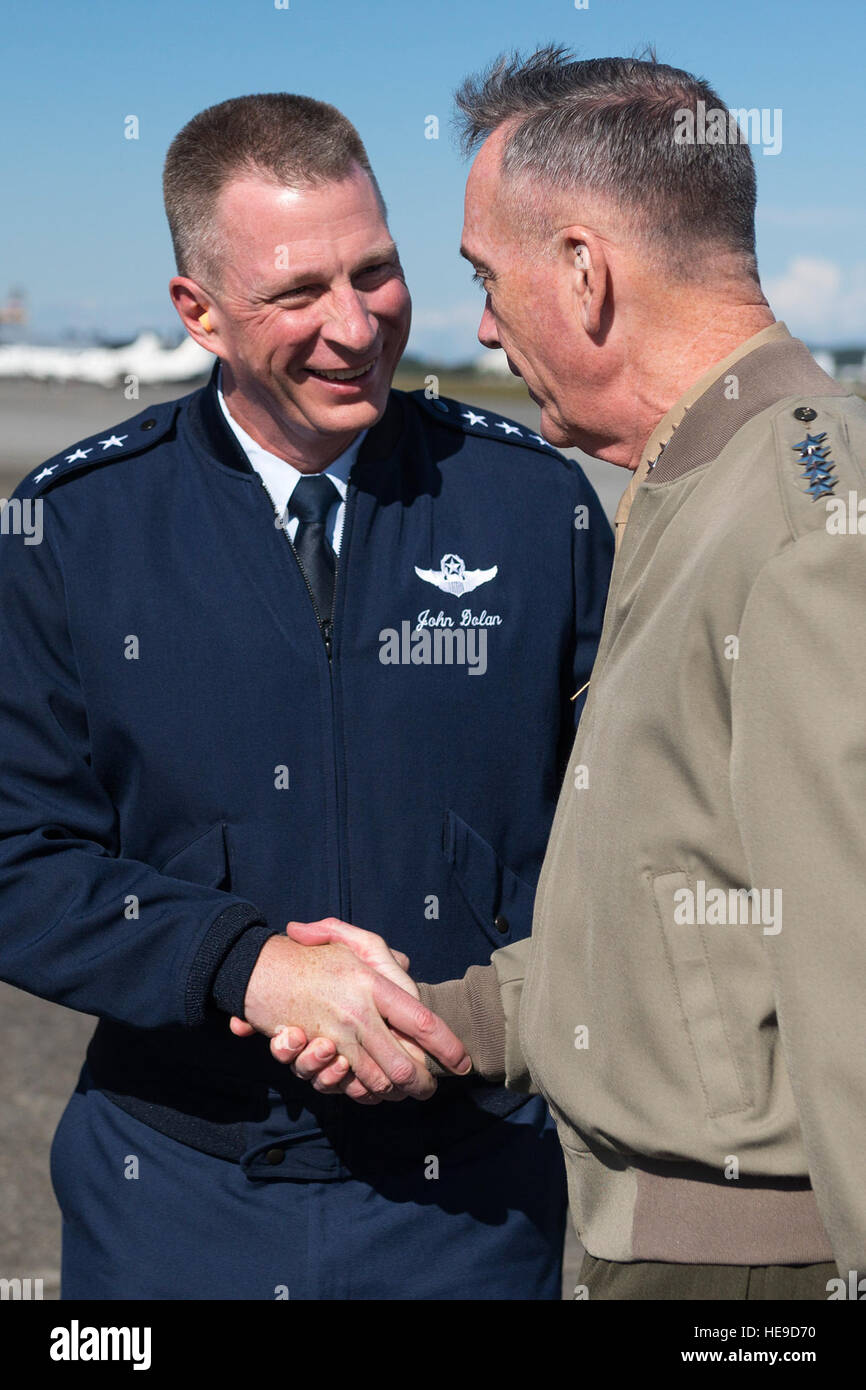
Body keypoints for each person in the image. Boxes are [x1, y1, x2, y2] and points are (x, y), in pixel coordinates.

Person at [0, 91, 613, 1300]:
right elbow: (16, 851)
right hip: (172, 1200)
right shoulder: (69, 531)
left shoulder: (535, 509)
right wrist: (245, 962)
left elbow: (630, 826)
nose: (353, 326)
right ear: (199, 313)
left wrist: (478, 1021)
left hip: (472, 1203)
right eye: (296, 294)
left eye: (374, 271)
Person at [278, 51, 866, 1300]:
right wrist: (461, 1018)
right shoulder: (692, 488)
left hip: (750, 1276)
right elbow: (685, 901)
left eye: (489, 280)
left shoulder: (805, 513)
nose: (480, 326)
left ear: (585, 273)